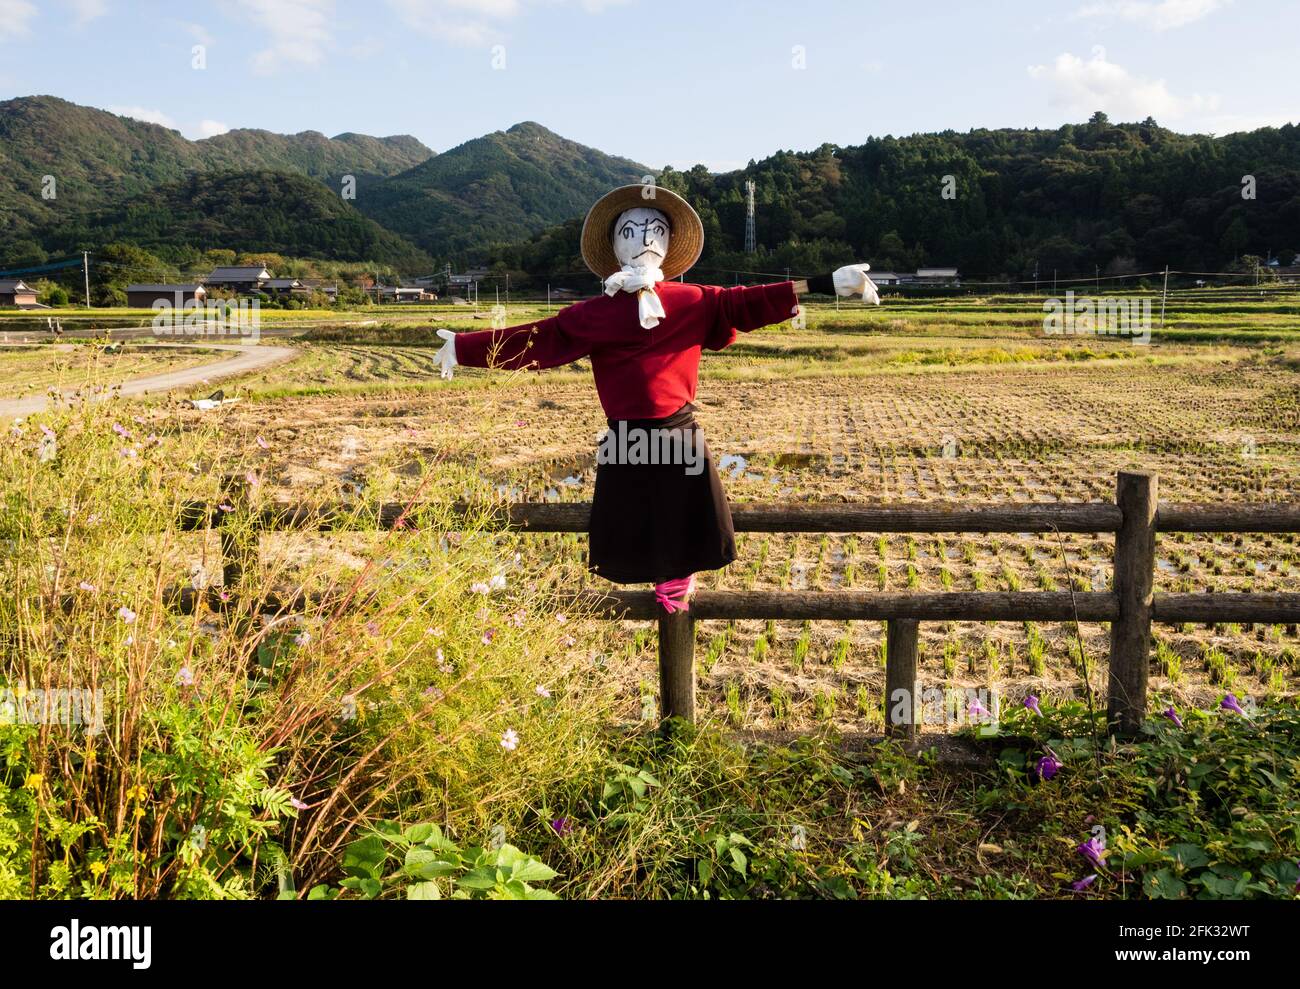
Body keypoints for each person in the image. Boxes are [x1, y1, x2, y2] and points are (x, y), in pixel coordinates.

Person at [435, 184, 879, 613]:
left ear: (668, 244)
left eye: (654, 231)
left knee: (684, 520)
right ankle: (660, 596)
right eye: (630, 231)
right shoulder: (593, 313)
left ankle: (677, 589)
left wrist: (825, 282)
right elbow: (536, 340)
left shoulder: (693, 301)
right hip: (625, 437)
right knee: (633, 522)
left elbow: (748, 302)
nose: (644, 239)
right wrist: (463, 347)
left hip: (679, 431)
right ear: (614, 244)